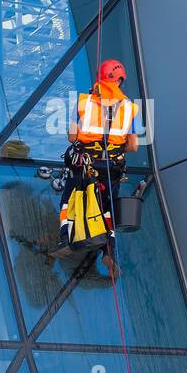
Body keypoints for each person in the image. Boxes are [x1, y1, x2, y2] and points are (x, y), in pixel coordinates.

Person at [54, 59, 139, 279]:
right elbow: (133, 145)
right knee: (107, 208)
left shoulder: (84, 102)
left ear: (100, 77)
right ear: (120, 80)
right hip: (111, 167)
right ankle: (107, 252)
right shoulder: (129, 108)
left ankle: (66, 238)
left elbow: (73, 136)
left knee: (70, 201)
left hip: (85, 165)